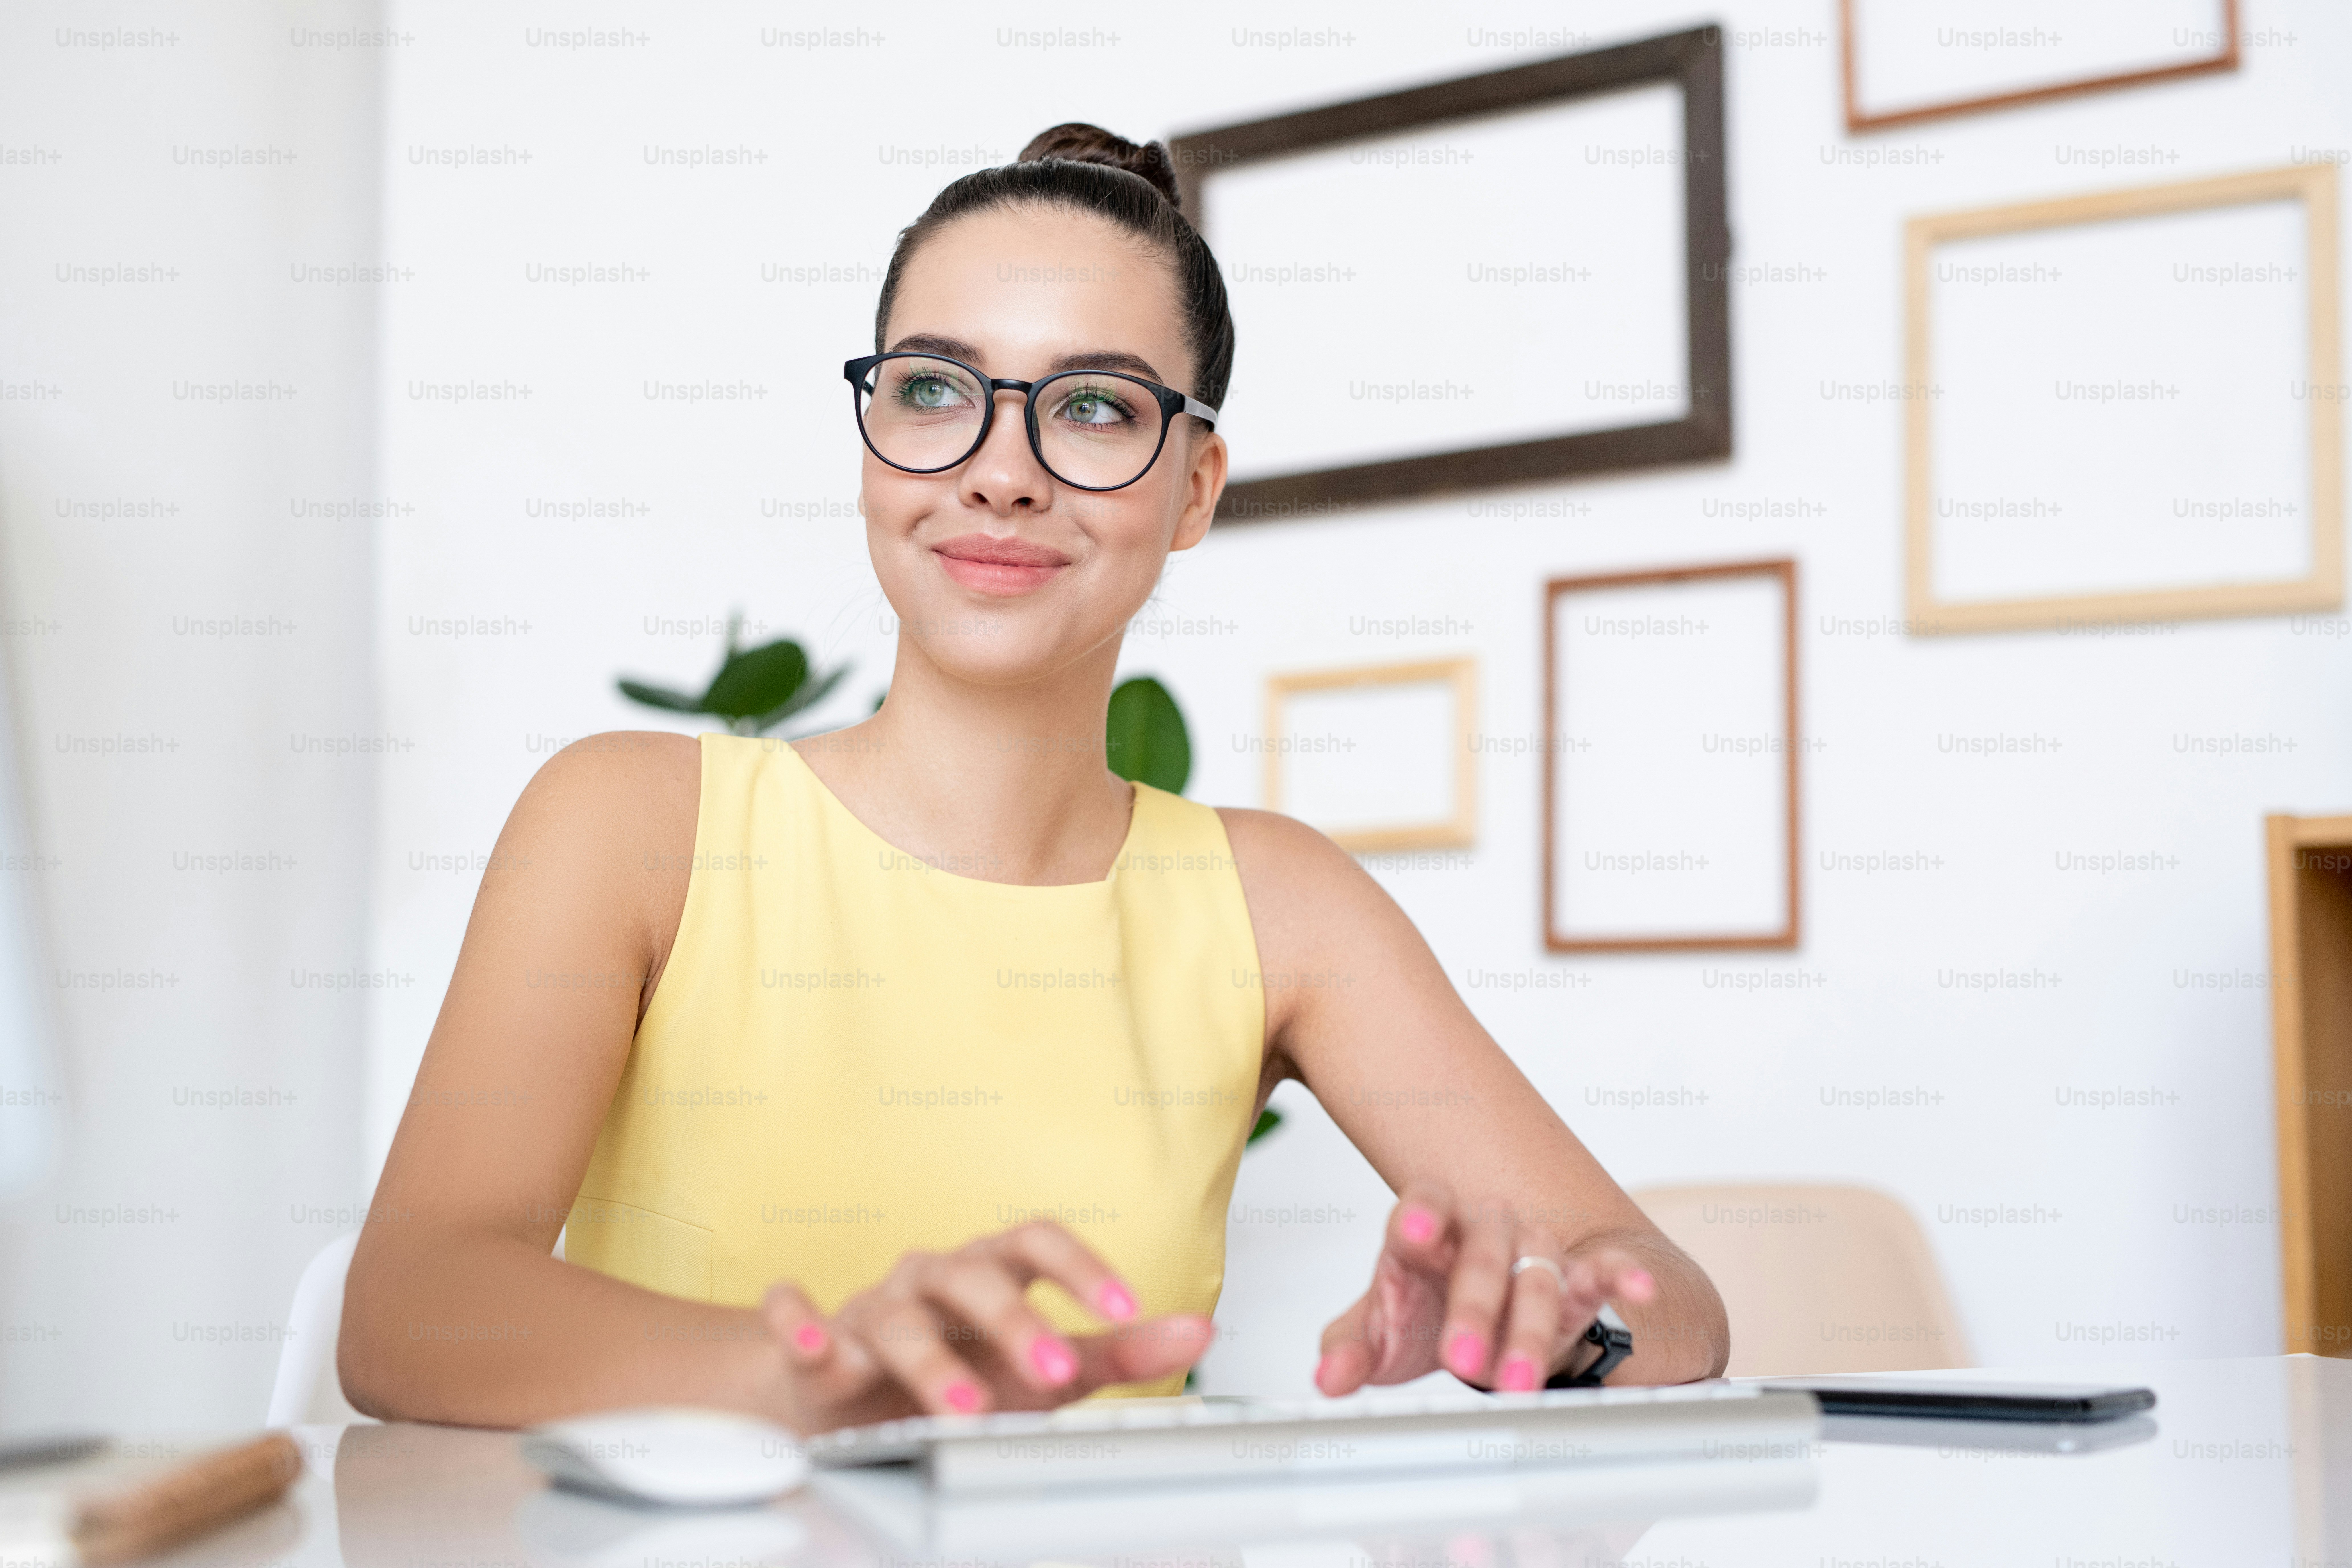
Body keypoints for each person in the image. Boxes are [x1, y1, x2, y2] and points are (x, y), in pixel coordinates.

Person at [340, 122, 1728, 1434]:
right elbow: (411, 1307)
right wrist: (813, 1375)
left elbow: (1669, 1296)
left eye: (1096, 409)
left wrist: (1561, 1323)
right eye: (936, 389)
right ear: (872, 439)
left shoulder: (1281, 905)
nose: (1002, 472)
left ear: (1195, 488)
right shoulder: (631, 823)